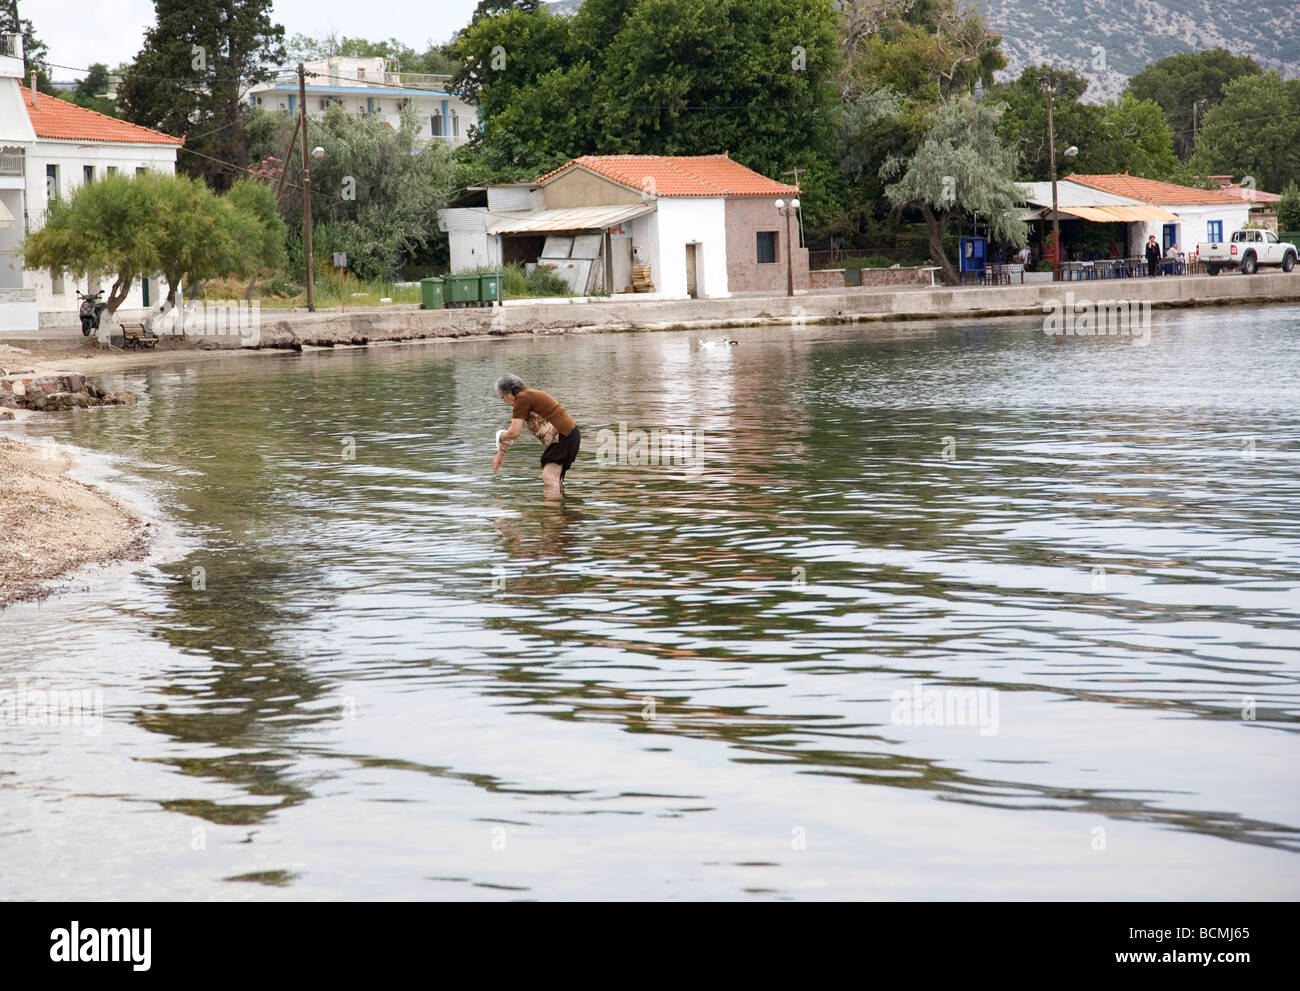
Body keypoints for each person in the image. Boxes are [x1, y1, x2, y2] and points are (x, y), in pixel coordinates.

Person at [492, 373, 580, 498]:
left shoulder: (522, 398)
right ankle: (560, 514)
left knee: (549, 478)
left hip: (563, 436)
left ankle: (553, 514)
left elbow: (513, 432)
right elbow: (515, 431)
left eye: (502, 398)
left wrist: (501, 436)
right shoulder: (525, 397)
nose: (505, 402)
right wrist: (500, 455)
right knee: (554, 480)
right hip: (568, 435)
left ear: (507, 393)